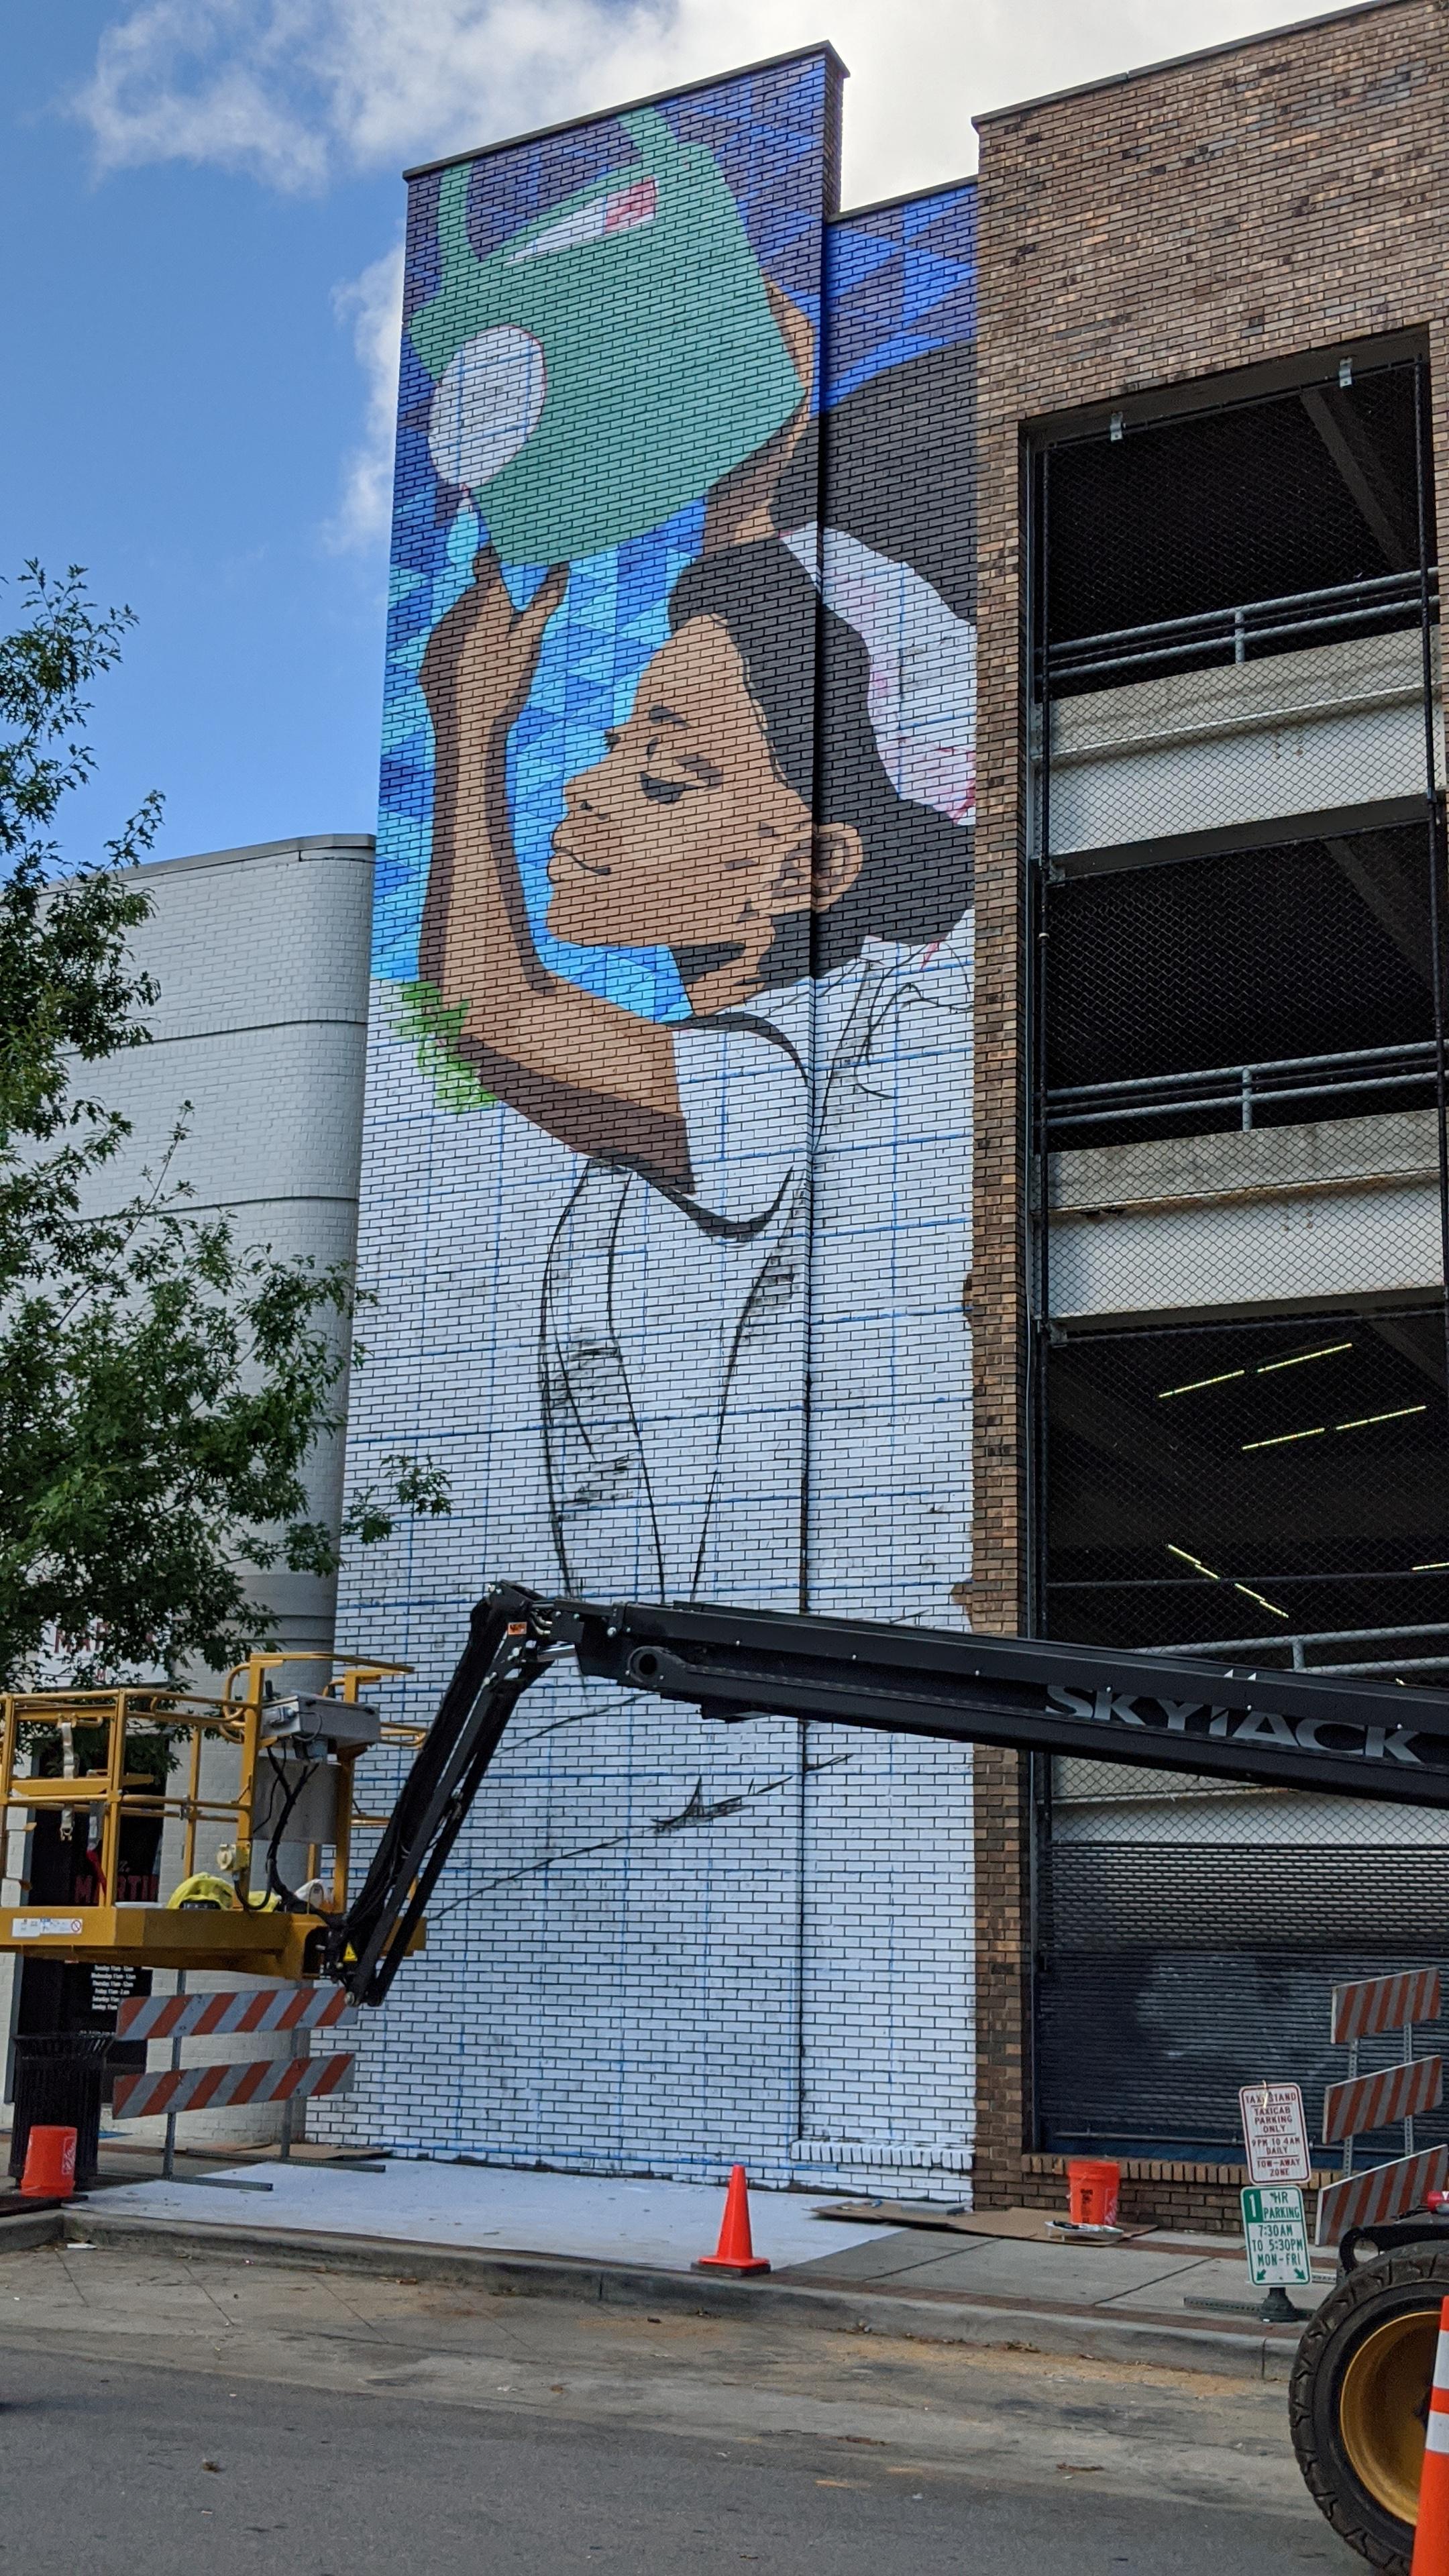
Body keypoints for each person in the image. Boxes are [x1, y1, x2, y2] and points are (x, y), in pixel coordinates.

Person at [415, 310, 973, 1605]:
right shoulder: (746, 1059)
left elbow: (495, 1015)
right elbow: (777, 669)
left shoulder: (853, 1061)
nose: (587, 788)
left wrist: (471, 732)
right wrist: (748, 486)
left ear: (810, 874)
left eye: (665, 779)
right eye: (618, 745)